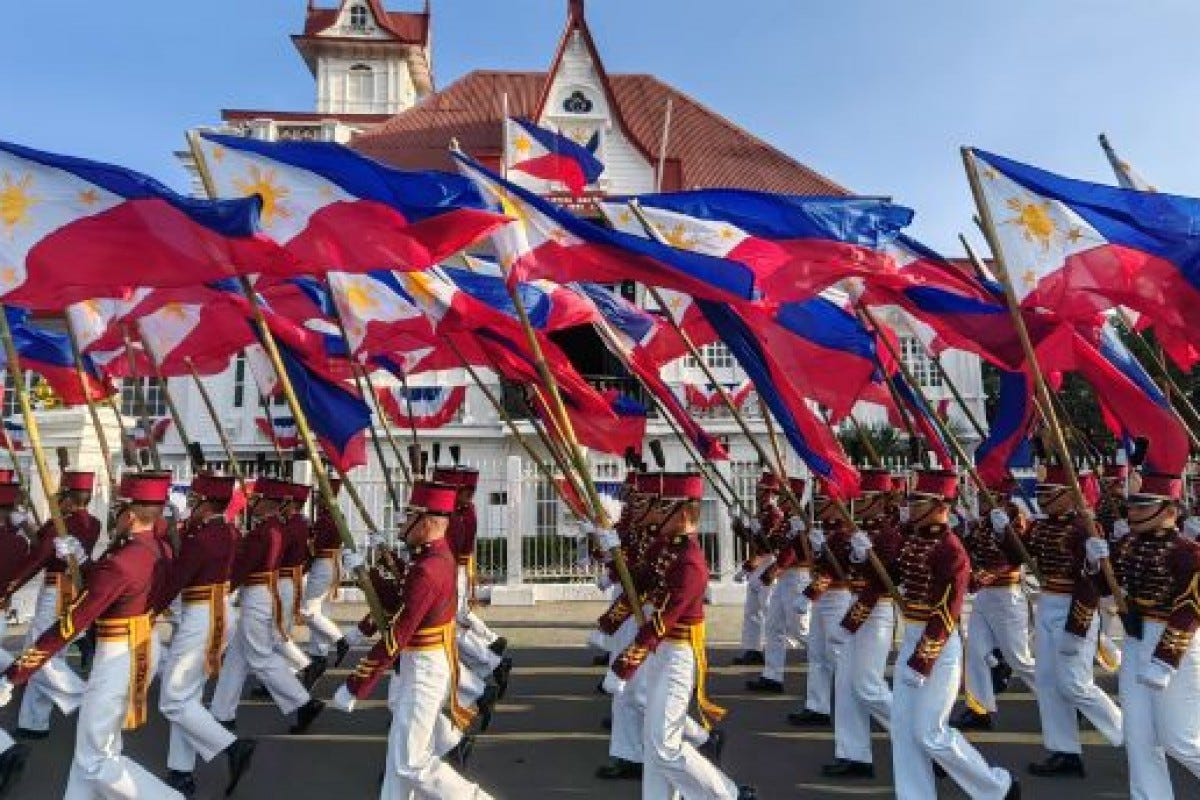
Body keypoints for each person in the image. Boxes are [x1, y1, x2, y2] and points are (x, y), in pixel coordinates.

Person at [0, 472, 184, 798]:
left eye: (118, 508)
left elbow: (70, 624)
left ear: (129, 515)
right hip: (139, 643)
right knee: (97, 753)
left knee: (94, 761)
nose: (114, 514)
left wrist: (16, 674)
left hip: (116, 657)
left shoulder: (123, 561)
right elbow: (112, 590)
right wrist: (85, 563)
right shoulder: (158, 549)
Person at [331, 480, 495, 799]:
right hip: (421, 663)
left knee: (411, 762)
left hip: (423, 668)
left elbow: (398, 632)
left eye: (409, 517)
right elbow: (398, 600)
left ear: (429, 522)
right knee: (398, 756)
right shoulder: (432, 557)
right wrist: (369, 573)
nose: (403, 523)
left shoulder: (428, 569)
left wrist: (357, 684)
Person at [605, 473, 756, 800]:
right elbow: (639, 580)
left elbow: (663, 619)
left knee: (665, 745)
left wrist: (625, 666)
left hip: (677, 657)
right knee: (653, 741)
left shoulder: (690, 563)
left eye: (664, 508)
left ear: (685, 513)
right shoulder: (667, 547)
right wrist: (611, 552)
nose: (656, 514)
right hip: (661, 654)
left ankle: (729, 795)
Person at [890, 470, 1020, 799]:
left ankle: (996, 787)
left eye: (917, 500)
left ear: (939, 505)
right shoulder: (913, 539)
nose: (910, 506)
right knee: (903, 730)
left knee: (930, 732)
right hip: (911, 638)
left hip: (938, 649)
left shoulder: (951, 550)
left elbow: (946, 613)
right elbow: (890, 571)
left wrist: (923, 660)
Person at [156, 474, 257, 797]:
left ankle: (231, 747)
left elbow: (176, 579)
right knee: (187, 697)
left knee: (172, 699)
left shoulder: (201, 539)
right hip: (220, 609)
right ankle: (180, 771)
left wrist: (148, 609)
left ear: (203, 504)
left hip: (201, 614)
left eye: (193, 500)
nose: (189, 506)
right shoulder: (227, 531)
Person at [1027, 465, 1123, 777]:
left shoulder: (1086, 528)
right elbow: (1021, 554)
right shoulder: (1042, 526)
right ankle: (1064, 751)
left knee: (1075, 684)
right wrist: (1003, 532)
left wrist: (1077, 626)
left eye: (1048, 493)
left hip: (1074, 605)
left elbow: (1092, 585)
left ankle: (1130, 736)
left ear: (1069, 495)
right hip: (1048, 601)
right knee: (1048, 682)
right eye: (1040, 493)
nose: (1042, 499)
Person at [209, 477, 324, 734]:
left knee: (260, 656)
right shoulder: (274, 528)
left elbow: (243, 567)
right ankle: (222, 712)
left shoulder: (264, 533)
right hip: (263, 593)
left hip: (257, 596)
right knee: (236, 659)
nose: (252, 503)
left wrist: (224, 588)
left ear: (265, 502)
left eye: (256, 499)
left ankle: (304, 703)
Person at [1, 470, 100, 738]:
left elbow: (38, 558)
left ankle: (84, 697)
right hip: (71, 590)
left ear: (67, 498)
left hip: (55, 590)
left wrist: (11, 586)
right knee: (46, 653)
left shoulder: (62, 524)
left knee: (40, 654)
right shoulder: (94, 523)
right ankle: (34, 722)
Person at [822, 469, 902, 778]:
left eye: (864, 497)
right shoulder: (852, 531)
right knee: (845, 685)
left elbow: (884, 582)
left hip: (876, 611)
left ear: (880, 501)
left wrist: (866, 553)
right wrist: (822, 546)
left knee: (867, 685)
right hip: (857, 606)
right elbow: (836, 569)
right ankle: (854, 754)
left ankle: (914, 737)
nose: (857, 503)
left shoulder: (889, 536)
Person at [952, 476, 1037, 731]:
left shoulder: (1013, 517)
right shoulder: (981, 522)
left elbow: (1018, 556)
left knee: (1019, 659)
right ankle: (979, 709)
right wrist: (962, 529)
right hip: (985, 596)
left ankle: (1060, 700)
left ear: (1000, 496)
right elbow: (971, 552)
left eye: (985, 493)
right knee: (975, 652)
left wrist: (1005, 532)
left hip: (1007, 596)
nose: (979, 498)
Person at [787, 486, 853, 727]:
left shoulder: (845, 534)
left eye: (821, 502)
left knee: (837, 655)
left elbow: (833, 570)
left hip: (837, 596)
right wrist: (799, 535)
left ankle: (853, 704)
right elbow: (805, 558)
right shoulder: (821, 531)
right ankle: (817, 706)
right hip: (823, 598)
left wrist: (809, 594)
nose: (817, 507)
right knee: (817, 654)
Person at [745, 477, 810, 694]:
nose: (780, 499)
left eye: (785, 496)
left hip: (797, 576)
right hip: (785, 578)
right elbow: (772, 545)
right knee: (774, 626)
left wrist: (775, 569)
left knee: (798, 629)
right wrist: (751, 531)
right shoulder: (786, 520)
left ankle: (838, 662)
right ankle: (772, 676)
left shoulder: (802, 520)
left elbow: (793, 551)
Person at [299, 478, 351, 684]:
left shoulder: (325, 519)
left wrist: (308, 538)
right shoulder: (337, 516)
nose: (318, 500)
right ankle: (318, 656)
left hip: (323, 563)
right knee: (321, 612)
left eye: (321, 497)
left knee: (307, 609)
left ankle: (339, 640)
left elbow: (315, 547)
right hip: (332, 563)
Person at [732, 472, 781, 666]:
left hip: (768, 563)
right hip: (757, 564)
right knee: (751, 611)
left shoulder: (775, 514)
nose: (757, 492)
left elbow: (767, 545)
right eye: (758, 489)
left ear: (770, 492)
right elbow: (750, 540)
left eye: (761, 490)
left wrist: (747, 567)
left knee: (767, 610)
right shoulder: (761, 513)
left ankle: (771, 649)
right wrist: (737, 525)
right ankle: (752, 649)